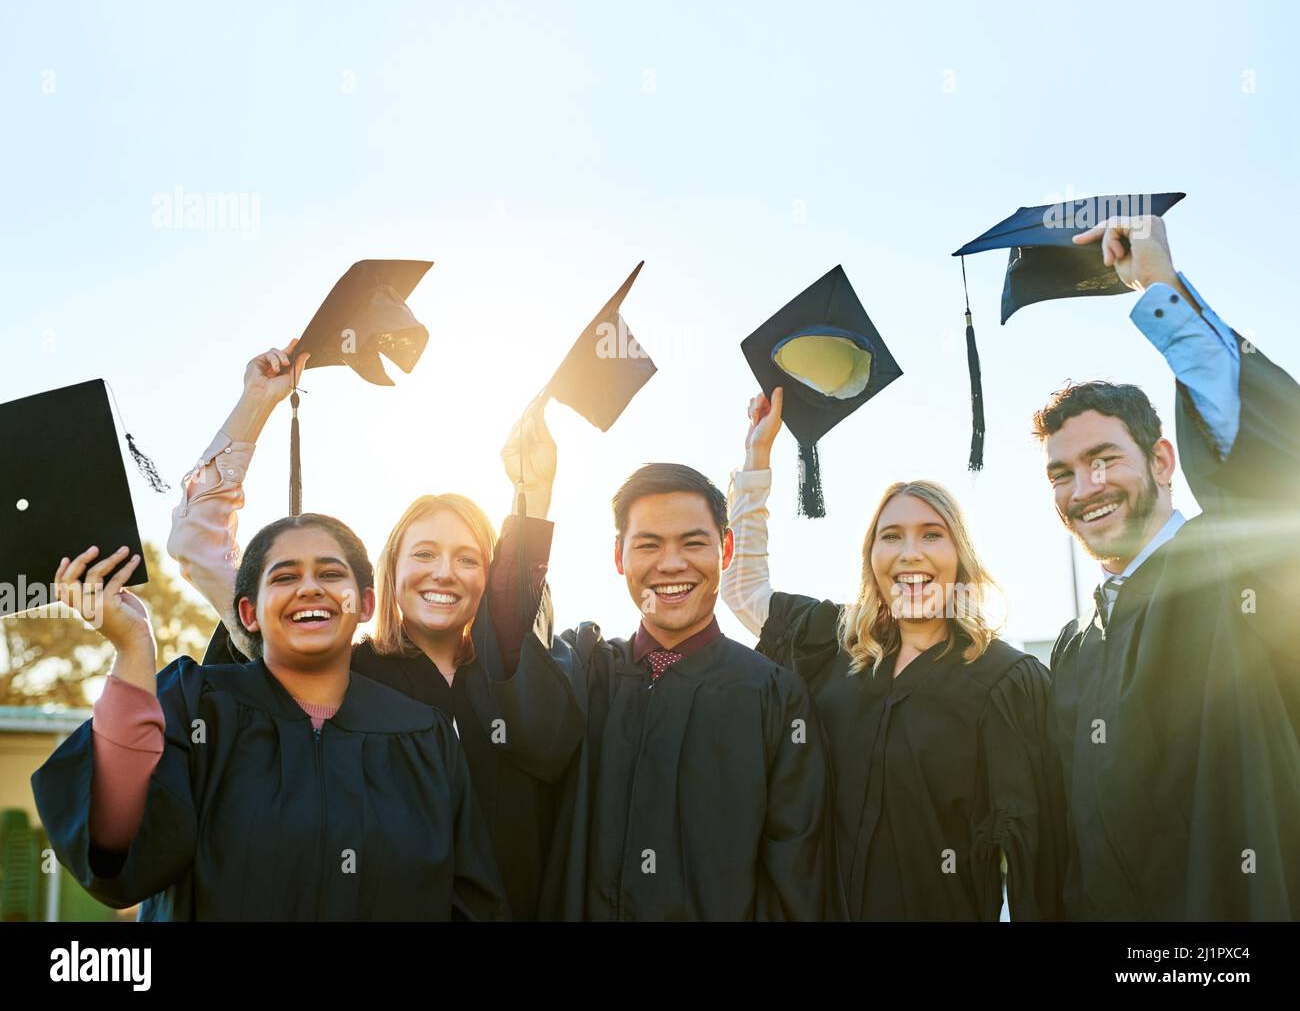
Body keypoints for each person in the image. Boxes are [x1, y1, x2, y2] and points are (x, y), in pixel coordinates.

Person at [169, 342, 583, 921]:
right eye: (425, 554)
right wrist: (256, 404)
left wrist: (534, 491)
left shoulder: (520, 683)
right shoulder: (335, 674)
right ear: (387, 574)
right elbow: (197, 543)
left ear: (490, 577)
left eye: (468, 558)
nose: (444, 572)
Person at [32, 523, 508, 921]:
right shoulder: (200, 705)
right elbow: (116, 845)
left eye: (329, 573)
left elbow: (470, 902)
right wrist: (134, 645)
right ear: (249, 613)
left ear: (364, 604)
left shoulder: (422, 734)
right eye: (284, 577)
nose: (309, 587)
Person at [720, 386, 1066, 921]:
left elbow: (1032, 864)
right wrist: (756, 458)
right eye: (891, 536)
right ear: (872, 557)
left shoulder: (1003, 682)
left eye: (932, 534)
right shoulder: (834, 645)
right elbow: (744, 589)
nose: (911, 553)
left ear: (959, 555)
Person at [1039, 214, 1300, 921]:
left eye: (1104, 460)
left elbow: (1273, 463)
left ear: (1161, 460)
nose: (1084, 488)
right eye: (1062, 473)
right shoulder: (1074, 647)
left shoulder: (1236, 566)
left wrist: (1160, 286)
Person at [494, 416, 829, 920]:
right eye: (648, 545)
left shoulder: (774, 696)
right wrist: (531, 500)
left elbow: (795, 879)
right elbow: (512, 647)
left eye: (694, 543)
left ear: (726, 550)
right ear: (619, 557)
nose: (671, 565)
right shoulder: (588, 672)